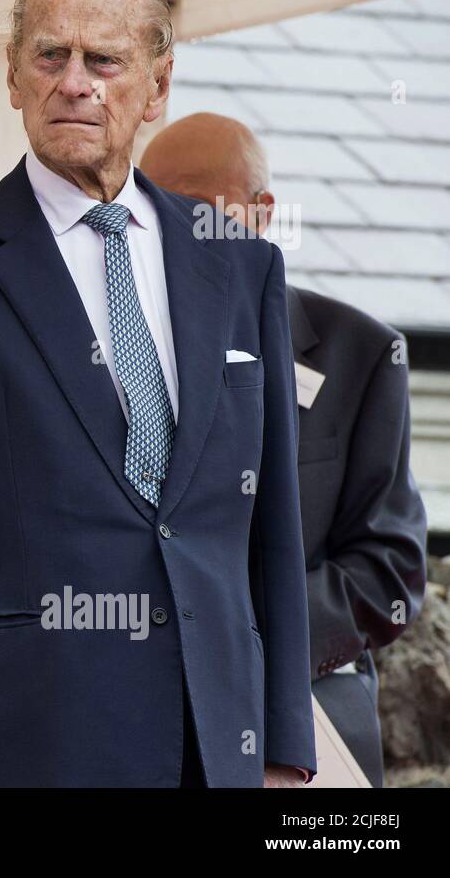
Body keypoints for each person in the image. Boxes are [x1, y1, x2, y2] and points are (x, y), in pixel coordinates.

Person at [0, 0, 317, 787]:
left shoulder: (240, 264)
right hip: (19, 744)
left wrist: (281, 748)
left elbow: (272, 520)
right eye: (50, 57)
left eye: (104, 61)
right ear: (13, 78)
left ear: (156, 87)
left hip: (217, 744)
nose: (74, 83)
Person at [139, 112, 428, 787]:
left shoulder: (361, 353)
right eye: (151, 210)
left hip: (309, 714)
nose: (169, 231)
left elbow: (389, 564)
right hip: (148, 715)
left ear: (262, 212)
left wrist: (245, 648)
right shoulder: (123, 352)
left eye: (194, 208)